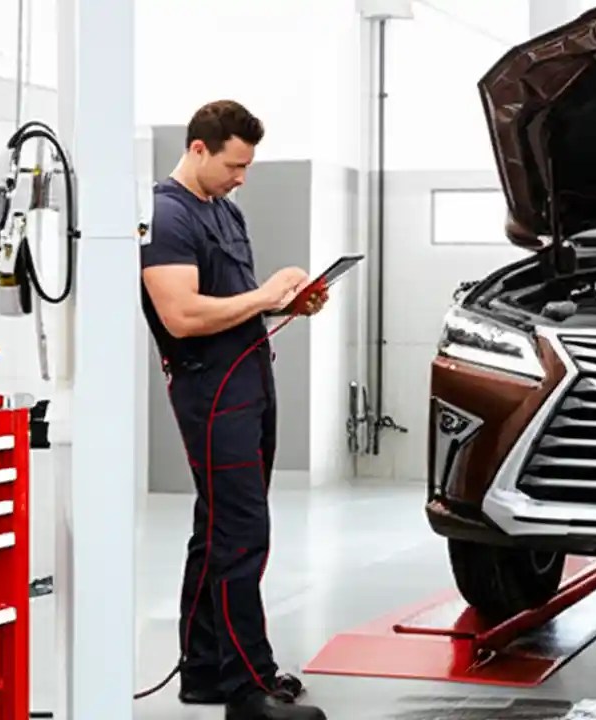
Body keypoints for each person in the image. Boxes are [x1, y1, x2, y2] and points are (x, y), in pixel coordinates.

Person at [140, 99, 328, 720]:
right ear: (199, 149)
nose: (242, 177)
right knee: (242, 534)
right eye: (235, 164)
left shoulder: (223, 209)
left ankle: (203, 672)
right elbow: (183, 315)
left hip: (249, 379)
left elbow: (233, 303)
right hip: (211, 388)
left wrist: (286, 303)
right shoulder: (165, 215)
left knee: (218, 528)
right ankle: (250, 686)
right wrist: (264, 294)